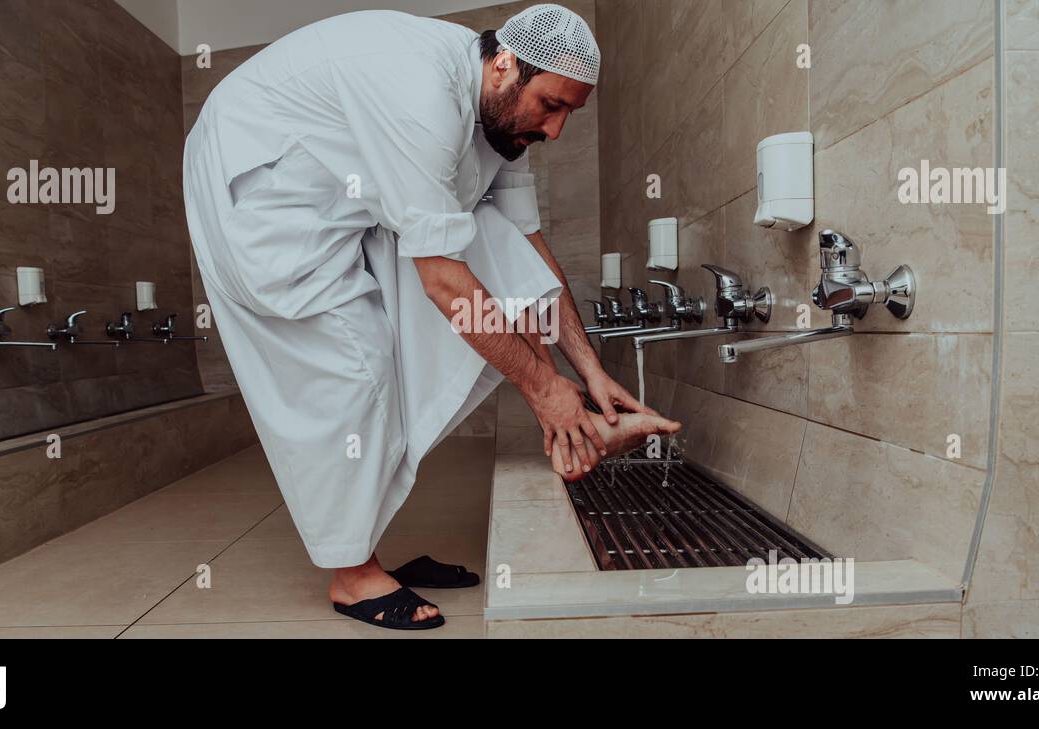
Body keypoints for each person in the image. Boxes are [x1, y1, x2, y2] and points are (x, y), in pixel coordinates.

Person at [183, 4, 680, 630]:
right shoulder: (423, 101)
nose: (556, 131)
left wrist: (587, 368)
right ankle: (352, 575)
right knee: (358, 368)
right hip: (259, 191)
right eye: (552, 106)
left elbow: (526, 245)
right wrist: (541, 389)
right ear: (505, 67)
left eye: (568, 115)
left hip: (342, 194)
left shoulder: (503, 120)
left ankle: (565, 424)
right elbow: (444, 282)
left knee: (488, 239)